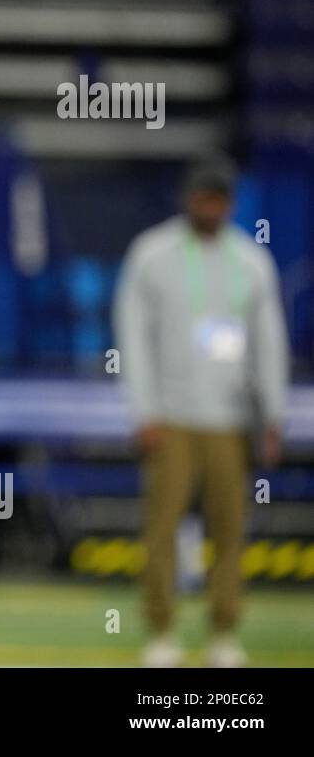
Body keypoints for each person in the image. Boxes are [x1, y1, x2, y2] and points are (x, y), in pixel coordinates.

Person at [114, 155, 289, 668]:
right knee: (162, 529)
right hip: (171, 416)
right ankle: (162, 630)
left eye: (218, 200)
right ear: (187, 198)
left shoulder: (252, 262)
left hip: (231, 420)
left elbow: (269, 342)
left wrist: (273, 414)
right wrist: (143, 409)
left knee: (230, 530)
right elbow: (133, 337)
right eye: (201, 198)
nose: (209, 207)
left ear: (230, 204)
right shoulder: (153, 253)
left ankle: (223, 632)